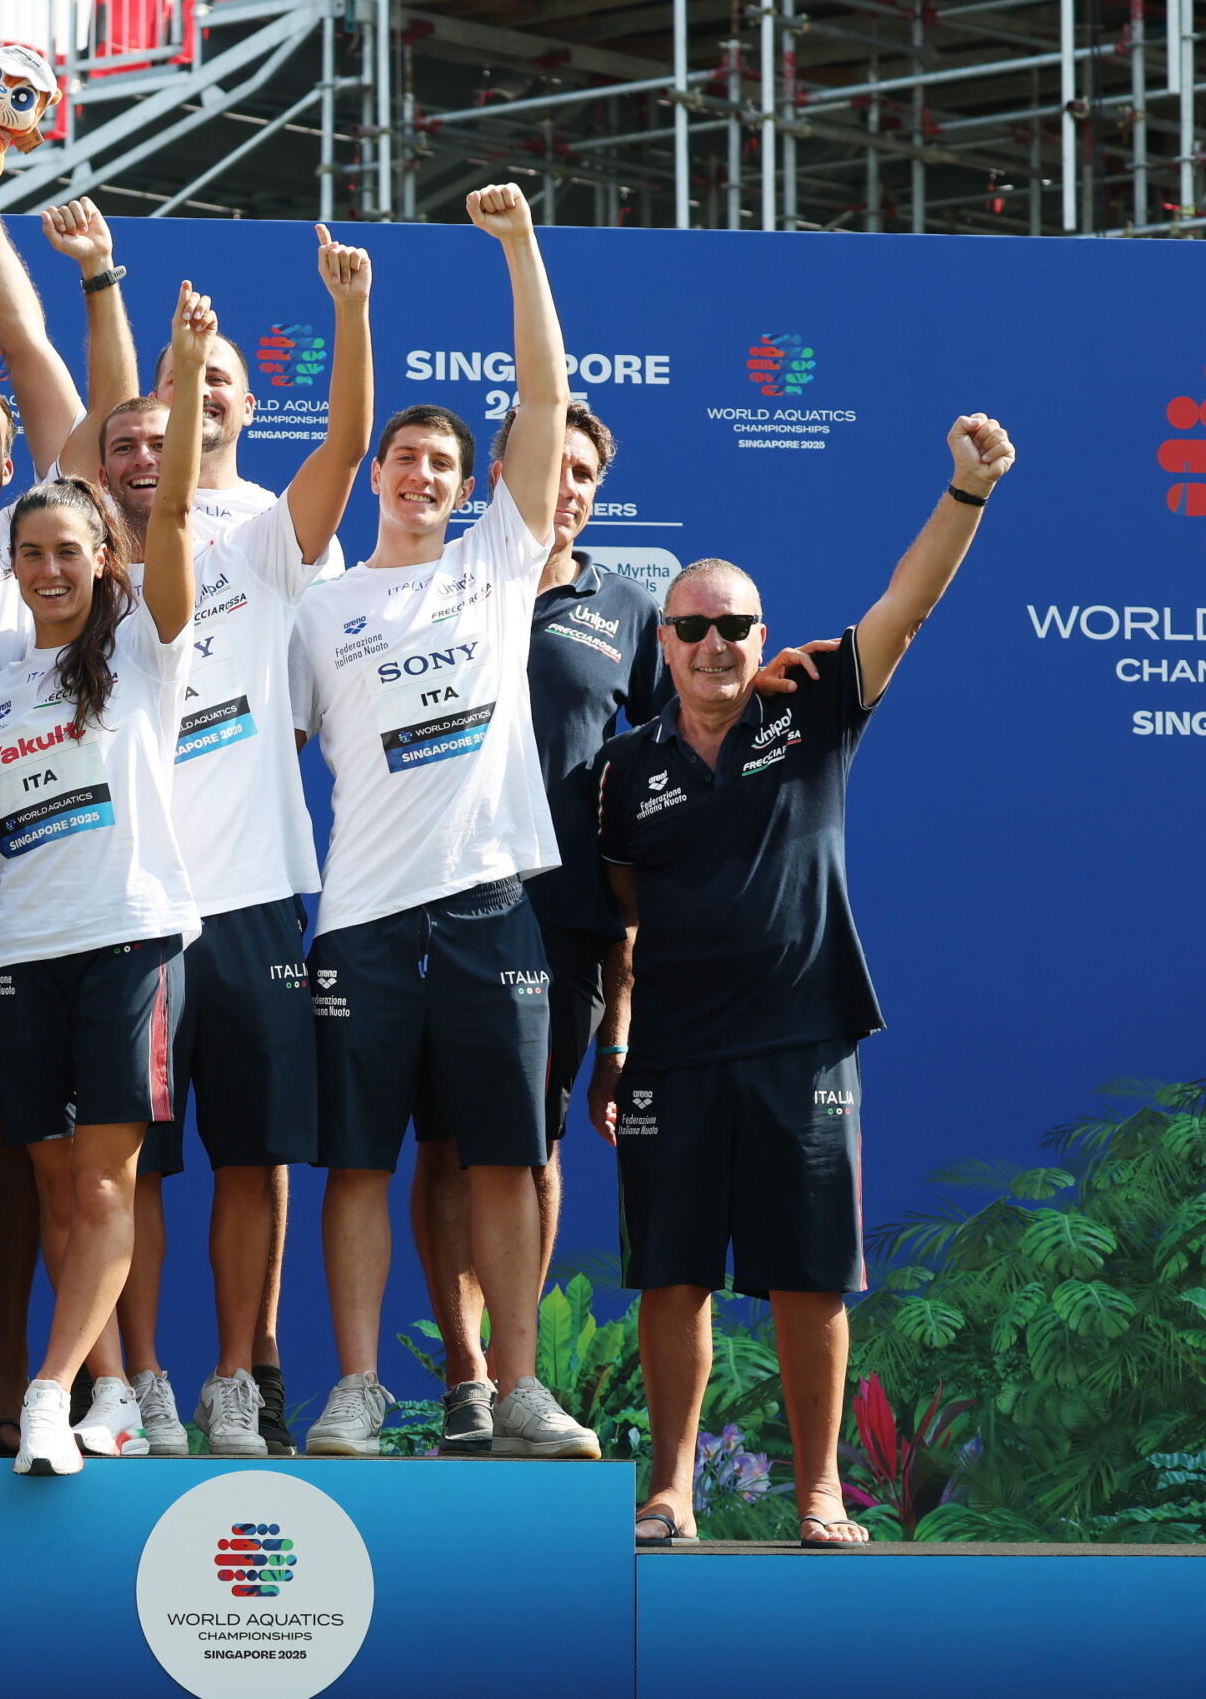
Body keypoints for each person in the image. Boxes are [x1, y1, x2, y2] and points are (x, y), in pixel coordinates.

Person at [594, 414, 1016, 1546]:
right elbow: (618, 925)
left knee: (806, 1276)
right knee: (670, 1278)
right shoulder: (621, 771)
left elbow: (904, 604)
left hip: (803, 1037)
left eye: (734, 625)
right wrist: (615, 1041)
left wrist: (964, 491)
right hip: (672, 1055)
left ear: (760, 633)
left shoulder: (812, 703)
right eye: (691, 627)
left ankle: (820, 1491)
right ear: (665, 642)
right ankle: (672, 1491)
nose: (715, 643)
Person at [291, 184, 602, 1461]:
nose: (420, 475)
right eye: (402, 459)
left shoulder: (494, 566)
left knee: (505, 1158)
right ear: (374, 474)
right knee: (359, 1164)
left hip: (489, 904)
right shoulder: (315, 607)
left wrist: (520, 249)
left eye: (443, 465)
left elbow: (541, 395)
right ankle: (359, 1387)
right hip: (360, 919)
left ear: (475, 494)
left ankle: (520, 1391)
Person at [75, 227, 369, 1460]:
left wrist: (348, 308)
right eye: (142, 426)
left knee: (255, 1155)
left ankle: (233, 1378)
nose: (167, 434)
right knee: (131, 1158)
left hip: (252, 894)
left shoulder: (259, 531)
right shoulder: (85, 548)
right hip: (127, 902)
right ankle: (135, 1376)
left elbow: (348, 446)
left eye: (200, 400)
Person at [0, 282, 216, 1477]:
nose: (48, 570)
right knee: (53, 1183)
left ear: (107, 556)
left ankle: (50, 1392)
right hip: (13, 955)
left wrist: (186, 368)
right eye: (30, 555)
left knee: (105, 1177)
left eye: (68, 551)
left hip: (127, 938)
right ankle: (106, 1394)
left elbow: (179, 518)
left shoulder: (147, 649)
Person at [404, 401, 662, 1453]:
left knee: (532, 1149)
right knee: (446, 1147)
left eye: (586, 473)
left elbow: (652, 799)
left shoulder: (632, 609)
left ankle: (518, 1378)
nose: (567, 488)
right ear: (498, 473)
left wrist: (622, 1019)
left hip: (562, 928)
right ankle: (465, 1375)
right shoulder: (442, 582)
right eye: (548, 466)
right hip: (434, 906)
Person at [0, 180, 133, 1453]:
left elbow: (80, 391)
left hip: (68, 906)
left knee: (50, 1158)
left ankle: (62, 1386)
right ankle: (22, 1380)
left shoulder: (60, 547)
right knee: (17, 1168)